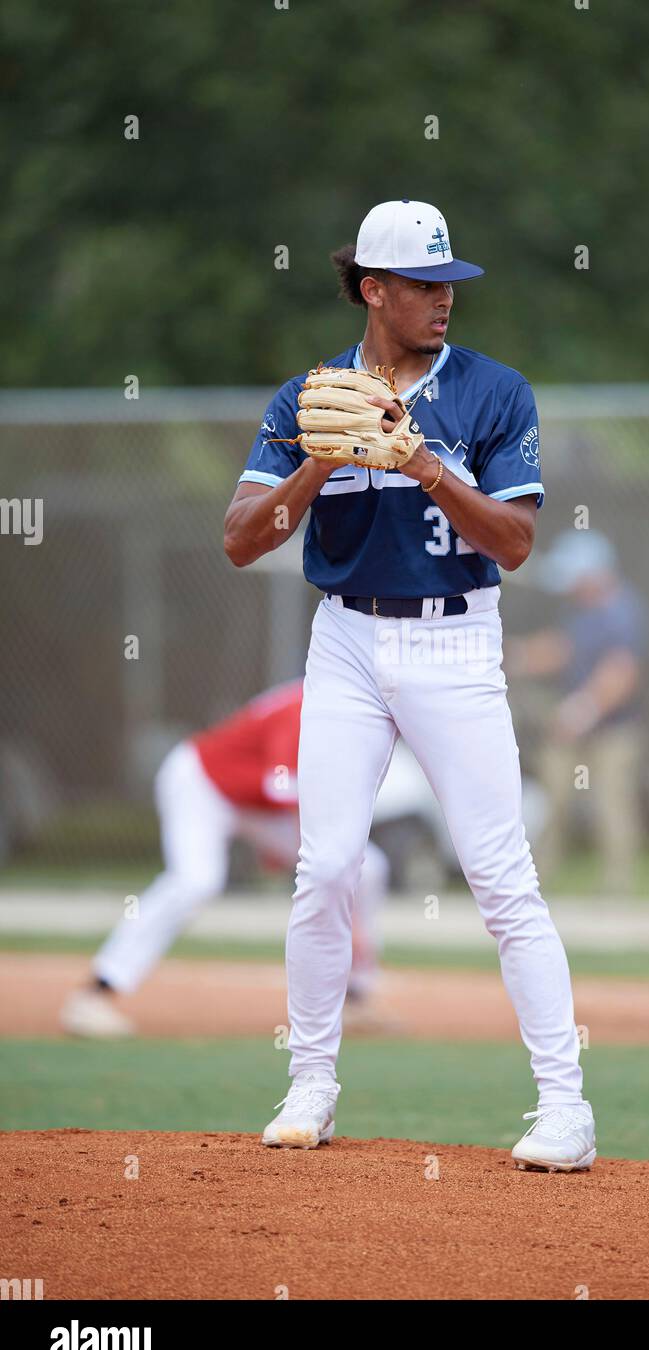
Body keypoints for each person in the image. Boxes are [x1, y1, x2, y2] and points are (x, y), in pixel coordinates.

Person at [224, 199, 595, 1173]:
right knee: (324, 868)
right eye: (424, 283)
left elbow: (514, 545)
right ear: (371, 289)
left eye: (449, 283)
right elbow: (239, 541)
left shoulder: (493, 392)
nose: (443, 299)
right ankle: (310, 1083)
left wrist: (424, 464)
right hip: (345, 640)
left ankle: (565, 1107)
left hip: (453, 644)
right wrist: (317, 461)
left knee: (499, 877)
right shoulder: (309, 396)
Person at [61, 681, 388, 1037]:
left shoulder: (348, 710)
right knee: (195, 882)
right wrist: (346, 911)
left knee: (368, 868)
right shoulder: (307, 705)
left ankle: (353, 1000)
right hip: (201, 783)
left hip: (255, 802)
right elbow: (284, 787)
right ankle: (94, 994)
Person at [507, 530, 648, 892]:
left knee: (610, 803)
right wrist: (517, 656)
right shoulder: (579, 610)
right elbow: (564, 648)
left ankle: (618, 886)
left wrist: (581, 711)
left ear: (594, 575)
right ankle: (538, 878)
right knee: (554, 797)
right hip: (572, 728)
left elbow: (621, 672)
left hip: (614, 730)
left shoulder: (622, 611)